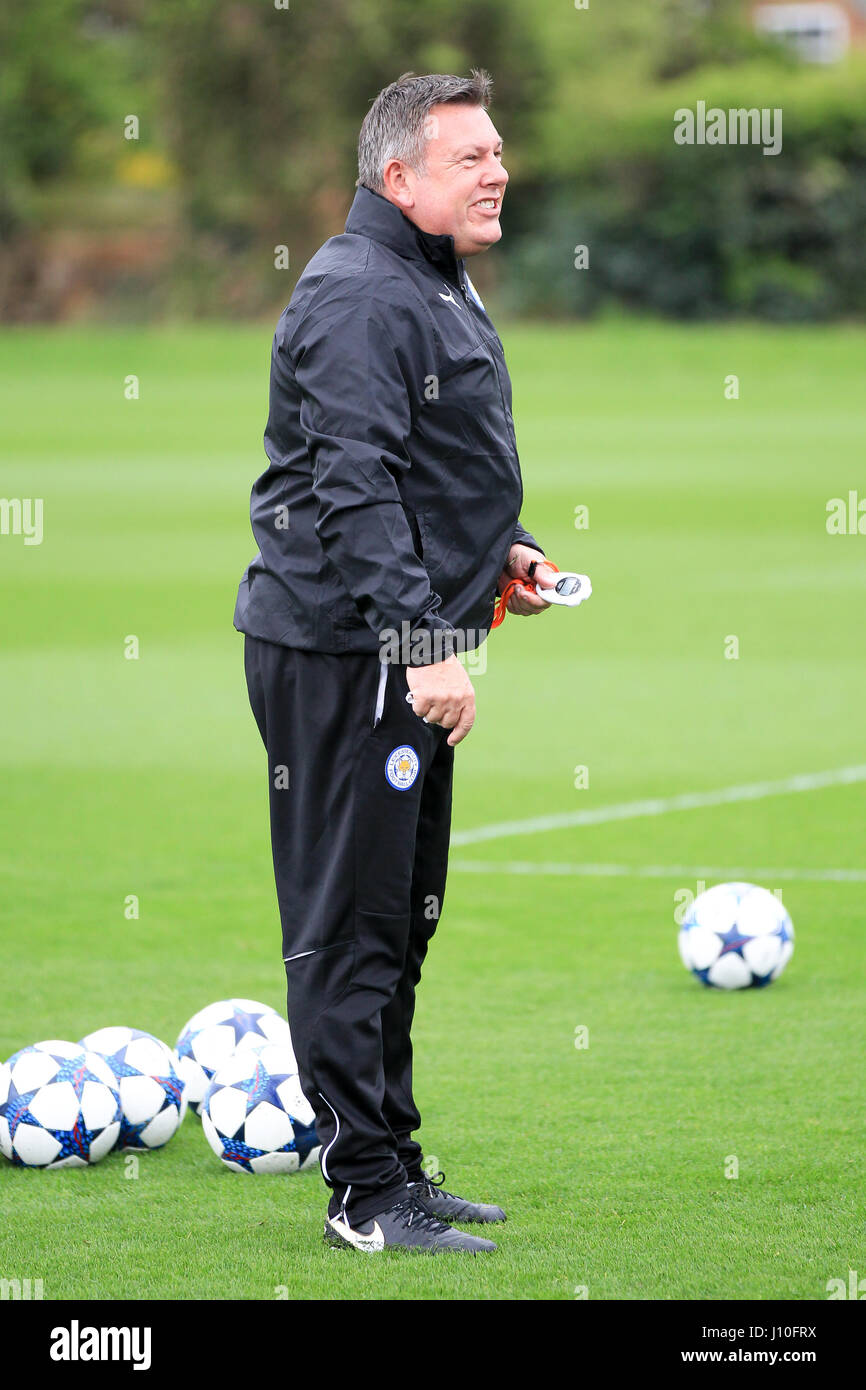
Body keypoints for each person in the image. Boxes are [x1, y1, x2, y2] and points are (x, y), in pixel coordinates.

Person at [235, 69, 559, 1255]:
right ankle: (363, 1199)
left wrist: (500, 551)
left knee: (399, 918)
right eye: (469, 157)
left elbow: (426, 465)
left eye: (496, 151)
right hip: (350, 654)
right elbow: (351, 488)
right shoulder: (361, 294)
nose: (497, 171)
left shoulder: (423, 278)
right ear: (398, 177)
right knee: (352, 921)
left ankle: (394, 1161)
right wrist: (426, 645)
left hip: (396, 644)